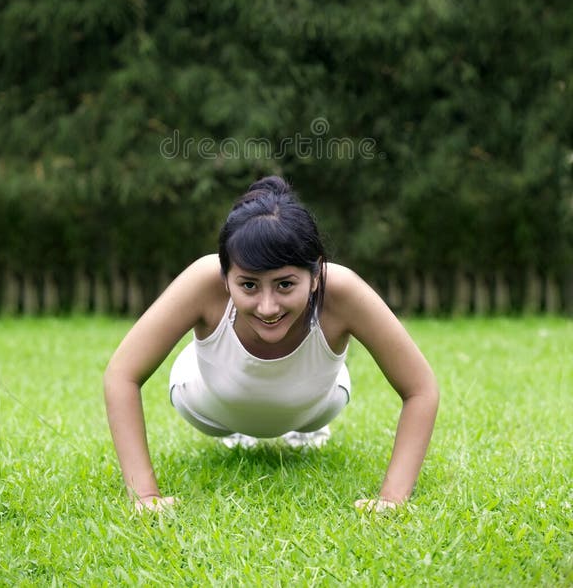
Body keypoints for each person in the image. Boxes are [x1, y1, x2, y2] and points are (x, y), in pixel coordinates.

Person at [104, 176, 439, 513]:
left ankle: (300, 431)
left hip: (315, 406)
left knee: (313, 403)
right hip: (208, 402)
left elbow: (421, 388)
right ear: (225, 277)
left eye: (285, 285)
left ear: (315, 275)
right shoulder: (203, 280)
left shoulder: (343, 291)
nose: (267, 307)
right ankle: (241, 430)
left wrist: (392, 500)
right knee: (227, 394)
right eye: (248, 285)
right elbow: (121, 375)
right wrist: (144, 497)